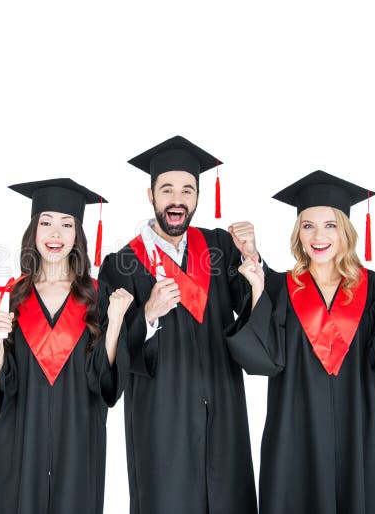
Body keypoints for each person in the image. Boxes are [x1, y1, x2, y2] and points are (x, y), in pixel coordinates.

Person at [228, 170, 375, 514]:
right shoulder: (280, 287)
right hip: (294, 430)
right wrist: (256, 287)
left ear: (345, 232)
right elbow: (262, 360)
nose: (318, 235)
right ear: (298, 232)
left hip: (358, 427)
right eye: (308, 225)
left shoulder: (374, 288)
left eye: (330, 225)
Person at [98, 136, 259, 514]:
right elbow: (110, 353)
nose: (177, 198)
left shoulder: (221, 248)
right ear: (150, 194)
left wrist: (254, 263)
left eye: (187, 189)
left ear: (199, 195)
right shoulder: (121, 264)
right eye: (166, 189)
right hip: (161, 421)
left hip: (224, 411)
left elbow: (257, 315)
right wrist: (148, 314)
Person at [0, 178, 132, 514]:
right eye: (46, 223)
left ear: (78, 235)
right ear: (33, 232)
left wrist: (114, 324)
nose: (55, 235)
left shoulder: (98, 297)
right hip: (19, 444)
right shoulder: (8, 296)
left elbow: (104, 384)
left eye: (66, 225)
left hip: (78, 441)